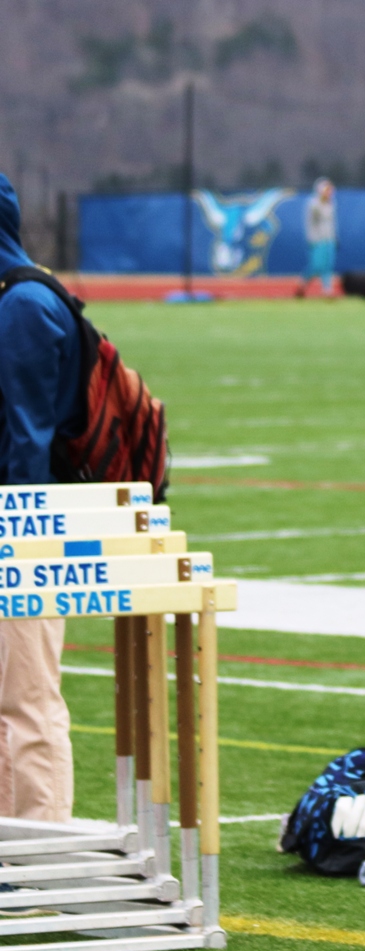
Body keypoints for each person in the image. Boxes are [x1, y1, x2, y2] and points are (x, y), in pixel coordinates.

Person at [0, 173, 81, 825]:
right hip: (20, 523)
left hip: (28, 529)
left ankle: (41, 846)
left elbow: (28, 440)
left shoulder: (23, 305)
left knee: (28, 696)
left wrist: (17, 543)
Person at [295, 178, 336, 298]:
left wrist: (334, 238)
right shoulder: (313, 204)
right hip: (317, 239)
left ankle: (327, 289)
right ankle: (303, 282)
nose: (329, 192)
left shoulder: (331, 204)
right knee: (316, 265)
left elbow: (332, 223)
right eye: (326, 190)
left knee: (328, 265)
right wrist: (311, 239)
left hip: (329, 239)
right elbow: (310, 222)